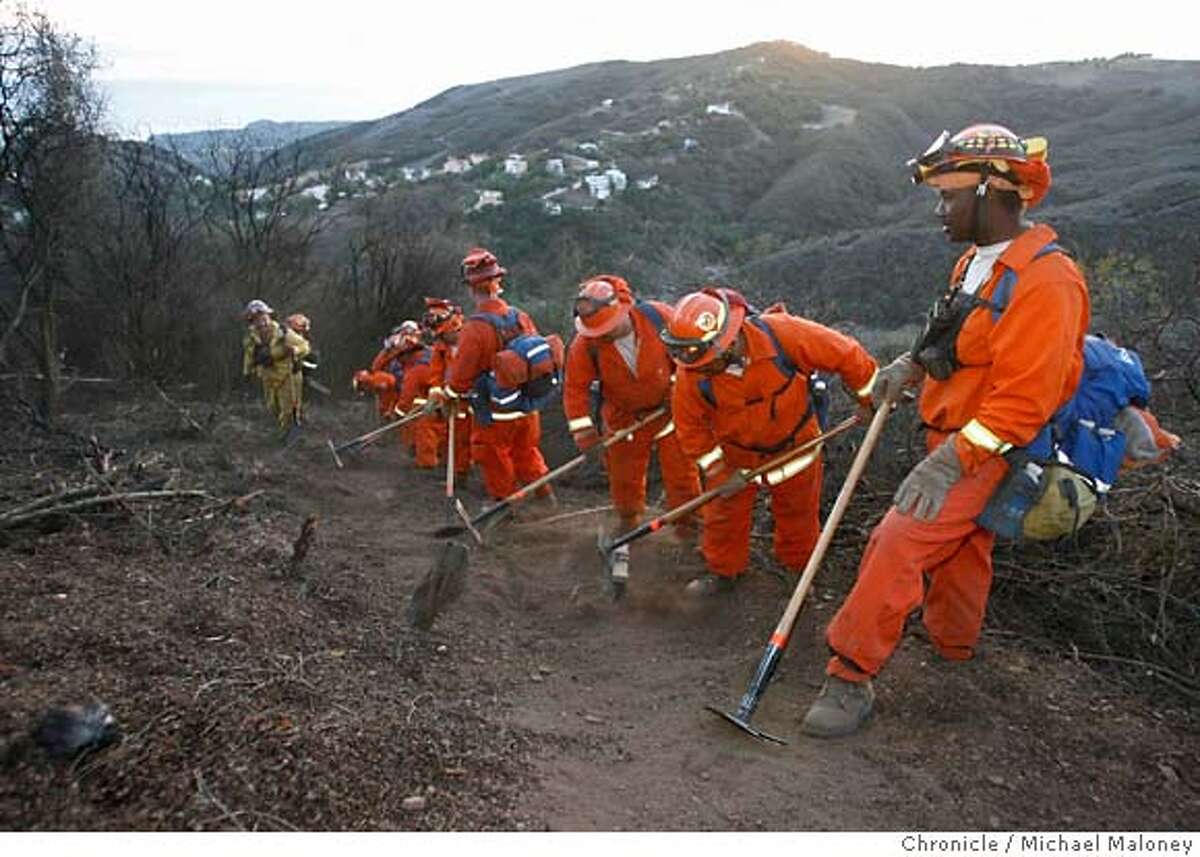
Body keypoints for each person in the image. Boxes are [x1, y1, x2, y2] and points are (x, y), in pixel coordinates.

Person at [801, 123, 1091, 738]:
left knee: (899, 540)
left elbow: (1025, 400)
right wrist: (908, 367)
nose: (939, 210)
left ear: (990, 191)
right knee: (961, 549)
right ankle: (954, 651)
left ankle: (849, 675)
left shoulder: (1047, 281)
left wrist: (949, 462)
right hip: (951, 435)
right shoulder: (974, 264)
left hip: (986, 450)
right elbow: (956, 341)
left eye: (948, 196)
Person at [663, 287, 878, 597]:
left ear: (728, 340)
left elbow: (846, 353)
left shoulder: (784, 335)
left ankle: (798, 575)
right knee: (723, 518)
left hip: (796, 448)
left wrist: (868, 398)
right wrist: (719, 471)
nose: (693, 365)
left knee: (798, 517)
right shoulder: (691, 374)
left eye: (702, 357)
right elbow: (689, 428)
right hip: (736, 457)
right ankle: (724, 572)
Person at [563, 274, 700, 541]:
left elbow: (692, 360)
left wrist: (679, 391)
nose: (603, 334)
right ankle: (629, 521)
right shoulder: (586, 343)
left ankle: (689, 526)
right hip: (623, 416)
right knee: (624, 478)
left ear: (624, 310)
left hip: (670, 412)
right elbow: (574, 390)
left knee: (683, 473)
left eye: (607, 327)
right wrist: (585, 435)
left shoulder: (661, 318)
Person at [444, 247, 552, 505]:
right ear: (497, 282)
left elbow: (460, 378)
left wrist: (448, 394)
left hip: (495, 409)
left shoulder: (475, 328)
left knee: (493, 454)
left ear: (472, 288)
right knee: (526, 451)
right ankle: (544, 497)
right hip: (527, 405)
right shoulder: (520, 317)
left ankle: (506, 504)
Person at [352, 321, 427, 454]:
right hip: (397, 388)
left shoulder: (421, 353)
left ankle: (414, 448)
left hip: (414, 389)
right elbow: (376, 367)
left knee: (412, 420)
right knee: (384, 382)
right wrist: (389, 350)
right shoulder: (395, 348)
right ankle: (401, 441)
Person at [241, 299, 310, 443]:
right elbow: (249, 356)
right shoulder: (251, 339)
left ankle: (291, 438)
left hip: (288, 375)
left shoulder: (283, 333)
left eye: (263, 319)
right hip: (269, 377)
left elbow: (304, 346)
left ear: (269, 317)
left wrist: (295, 350)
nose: (262, 324)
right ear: (252, 322)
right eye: (257, 321)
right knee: (272, 407)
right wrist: (247, 373)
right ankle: (283, 433)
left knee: (288, 409)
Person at [423, 297, 472, 485]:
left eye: (443, 334)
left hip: (475, 395)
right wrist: (436, 392)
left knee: (480, 440)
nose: (440, 339)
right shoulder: (442, 345)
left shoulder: (472, 338)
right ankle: (459, 474)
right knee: (456, 436)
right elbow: (436, 371)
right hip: (454, 396)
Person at [284, 313, 318, 421]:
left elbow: (313, 362)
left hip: (301, 378)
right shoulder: (283, 340)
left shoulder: (307, 345)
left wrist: (301, 365)